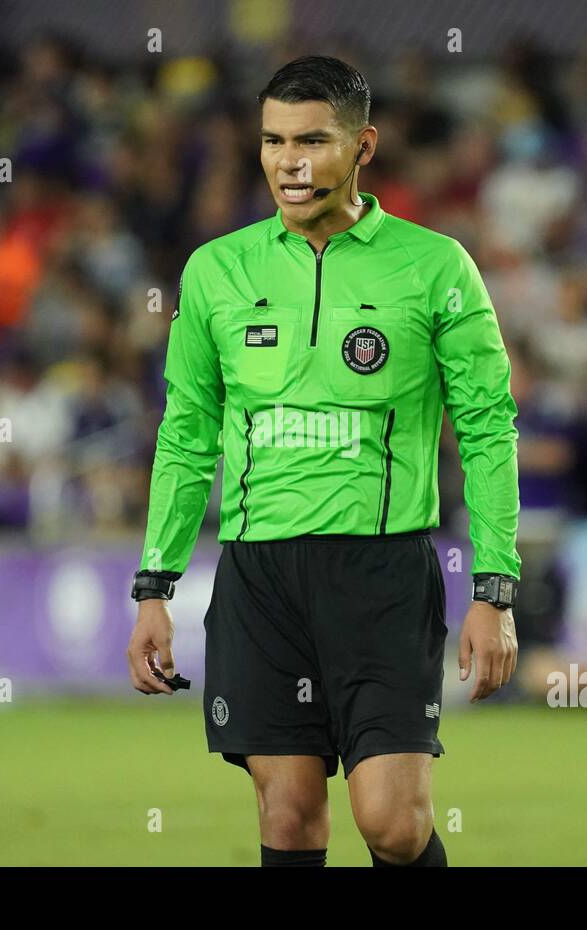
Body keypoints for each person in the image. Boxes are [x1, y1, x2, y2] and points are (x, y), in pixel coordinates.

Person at [126, 56, 521, 867]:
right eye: (272, 140)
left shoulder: (435, 267)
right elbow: (187, 430)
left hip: (381, 577)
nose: (288, 161)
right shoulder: (216, 271)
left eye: (313, 140)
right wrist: (154, 585)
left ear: (363, 146)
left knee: (393, 823)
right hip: (259, 580)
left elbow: (487, 426)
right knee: (290, 816)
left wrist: (496, 588)